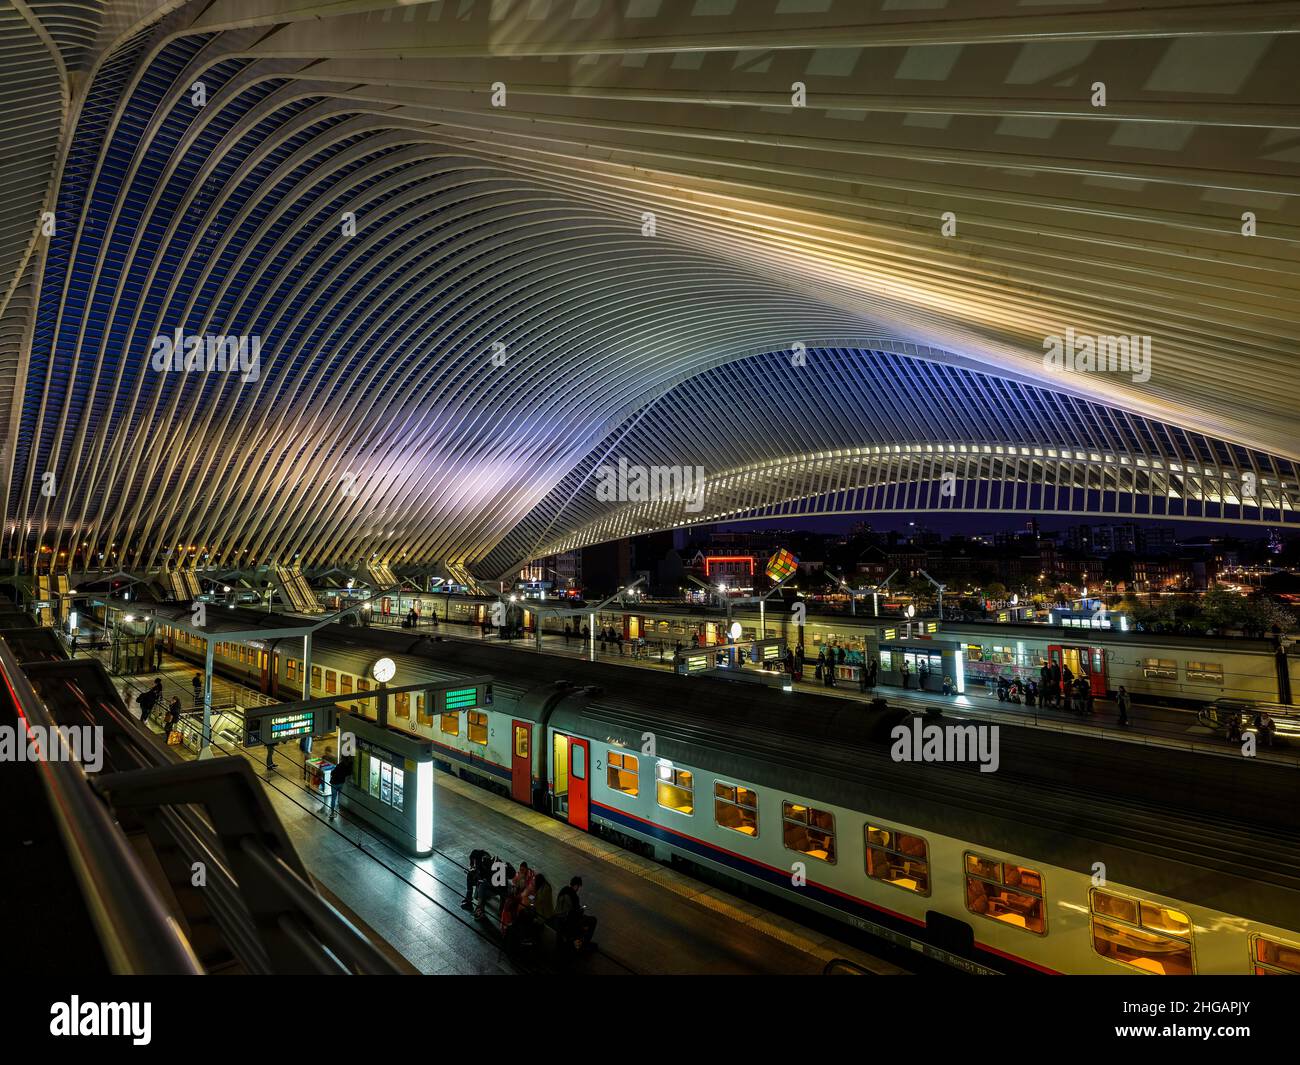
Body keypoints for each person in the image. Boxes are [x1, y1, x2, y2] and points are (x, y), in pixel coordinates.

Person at [556, 875, 597, 952]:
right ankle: (584, 943)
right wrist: (581, 910)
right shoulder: (574, 896)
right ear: (576, 886)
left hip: (559, 920)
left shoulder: (563, 890)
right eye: (578, 886)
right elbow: (574, 915)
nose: (578, 889)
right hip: (568, 923)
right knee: (593, 920)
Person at [326, 755, 352, 820]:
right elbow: (348, 773)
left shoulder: (339, 765)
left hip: (335, 783)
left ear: (342, 759)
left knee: (333, 797)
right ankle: (339, 806)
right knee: (339, 795)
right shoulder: (348, 766)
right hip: (341, 783)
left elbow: (333, 773)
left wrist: (332, 771)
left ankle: (332, 812)